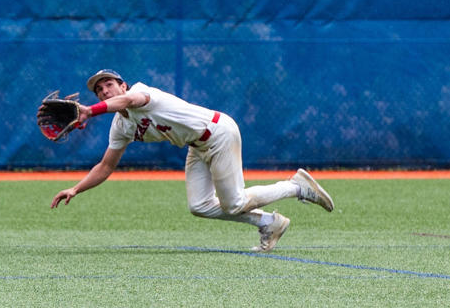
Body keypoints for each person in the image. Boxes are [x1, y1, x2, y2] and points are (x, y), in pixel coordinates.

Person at [49, 69, 335, 252]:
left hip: (219, 132)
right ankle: (269, 223)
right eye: (98, 90)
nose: (104, 91)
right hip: (197, 146)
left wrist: (90, 110)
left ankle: (296, 186)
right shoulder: (120, 127)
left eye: (109, 85)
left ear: (122, 85)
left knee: (233, 202)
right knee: (199, 205)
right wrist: (76, 188)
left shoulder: (141, 93)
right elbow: (106, 166)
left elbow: (127, 102)